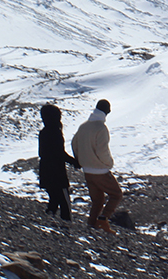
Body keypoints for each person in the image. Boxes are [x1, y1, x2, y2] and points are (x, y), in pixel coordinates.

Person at [70, 98, 126, 234]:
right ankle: (103, 219)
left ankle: (92, 224)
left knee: (97, 200)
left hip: (87, 170)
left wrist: (80, 159)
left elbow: (74, 143)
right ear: (106, 111)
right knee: (116, 194)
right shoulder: (101, 128)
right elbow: (102, 150)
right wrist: (108, 164)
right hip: (99, 170)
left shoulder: (84, 126)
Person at [37, 104, 78, 222]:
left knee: (54, 198)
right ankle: (67, 225)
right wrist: (74, 162)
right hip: (57, 173)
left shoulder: (44, 132)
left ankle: (48, 220)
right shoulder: (55, 132)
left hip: (45, 171)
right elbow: (59, 153)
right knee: (64, 202)